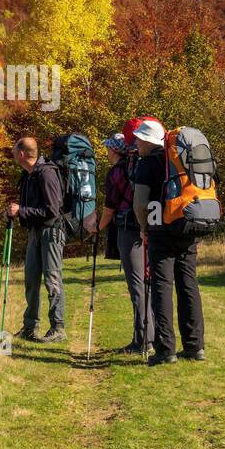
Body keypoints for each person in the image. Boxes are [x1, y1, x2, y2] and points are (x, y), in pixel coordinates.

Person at [131, 119, 205, 365]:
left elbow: (140, 204)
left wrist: (143, 227)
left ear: (147, 141)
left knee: (162, 287)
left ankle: (166, 350)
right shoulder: (178, 159)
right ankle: (195, 347)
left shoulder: (147, 164)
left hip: (160, 232)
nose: (136, 144)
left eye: (138, 139)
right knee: (188, 285)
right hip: (186, 227)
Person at [88, 134, 151, 353]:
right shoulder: (137, 167)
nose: (106, 152)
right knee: (146, 283)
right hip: (145, 228)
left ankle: (143, 341)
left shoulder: (116, 172)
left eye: (108, 148)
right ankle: (148, 337)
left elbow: (110, 207)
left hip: (128, 229)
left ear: (115, 151)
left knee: (137, 285)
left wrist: (97, 227)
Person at [7, 137, 66, 343]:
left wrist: (21, 211)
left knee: (52, 279)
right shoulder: (29, 175)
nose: (13, 155)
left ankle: (58, 328)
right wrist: (18, 212)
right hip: (35, 232)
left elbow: (52, 211)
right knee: (31, 280)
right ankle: (30, 326)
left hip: (51, 232)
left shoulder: (47, 173)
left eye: (15, 151)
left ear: (22, 154)